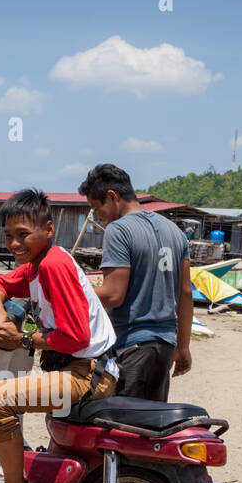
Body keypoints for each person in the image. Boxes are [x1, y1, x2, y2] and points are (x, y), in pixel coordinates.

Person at [0, 189, 118, 483]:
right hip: (86, 370)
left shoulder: (53, 265)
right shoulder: (39, 265)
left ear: (48, 229)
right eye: (8, 235)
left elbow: (76, 337)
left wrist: (21, 340)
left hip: (87, 375)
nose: (14, 243)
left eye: (23, 234)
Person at [78, 163, 192, 402]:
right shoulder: (175, 232)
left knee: (124, 428)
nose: (98, 216)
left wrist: (70, 292)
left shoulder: (119, 230)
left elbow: (112, 294)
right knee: (151, 426)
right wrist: (183, 347)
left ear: (112, 197)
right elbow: (185, 293)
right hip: (165, 347)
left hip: (133, 345)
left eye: (96, 208)